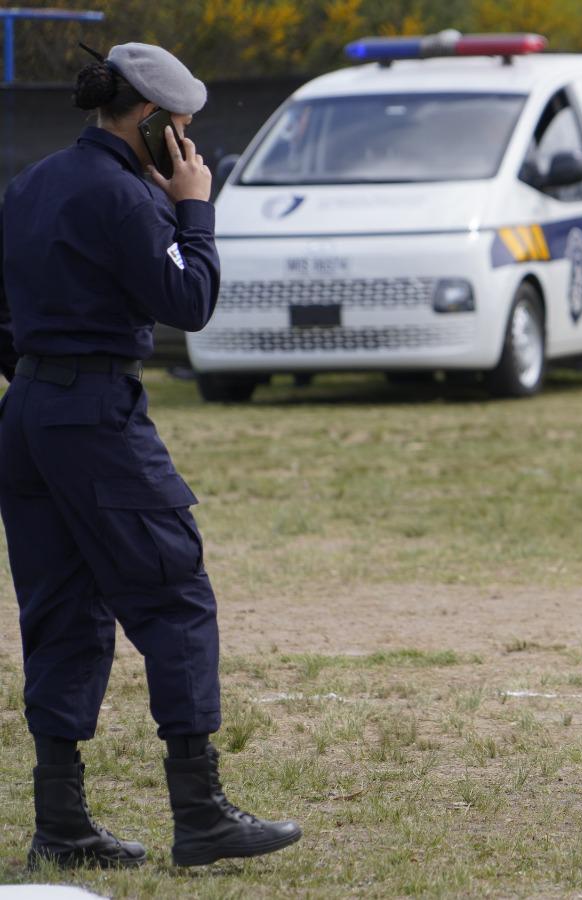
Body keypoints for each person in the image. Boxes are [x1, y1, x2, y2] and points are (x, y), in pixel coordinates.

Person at [0, 43, 300, 868]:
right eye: (185, 123)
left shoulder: (30, 184)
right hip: (97, 413)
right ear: (153, 120)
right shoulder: (126, 197)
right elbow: (190, 303)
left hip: (26, 413)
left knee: (59, 610)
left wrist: (43, 374)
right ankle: (200, 816)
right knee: (174, 598)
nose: (192, 137)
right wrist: (194, 207)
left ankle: (60, 826)